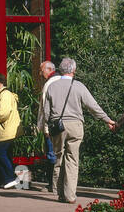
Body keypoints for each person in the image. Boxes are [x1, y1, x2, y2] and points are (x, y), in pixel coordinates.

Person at [42, 57, 115, 204]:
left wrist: (47, 126)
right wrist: (107, 119)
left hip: (58, 126)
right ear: (74, 71)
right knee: (72, 160)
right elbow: (92, 106)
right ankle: (69, 195)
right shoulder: (79, 86)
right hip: (75, 125)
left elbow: (46, 112)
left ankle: (60, 193)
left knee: (59, 158)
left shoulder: (51, 87)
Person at [0, 72, 21, 188]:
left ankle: (11, 178)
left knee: (0, 153)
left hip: (5, 130)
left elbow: (3, 113)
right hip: (8, 129)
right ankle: (8, 179)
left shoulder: (4, 95)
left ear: (1, 83)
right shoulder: (6, 94)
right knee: (5, 154)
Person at [34, 59, 60, 190]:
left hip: (51, 127)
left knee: (51, 154)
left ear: (49, 70)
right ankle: (59, 184)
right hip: (64, 125)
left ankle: (52, 184)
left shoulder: (49, 84)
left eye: (41, 70)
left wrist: (44, 128)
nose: (40, 73)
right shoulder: (63, 81)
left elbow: (44, 109)